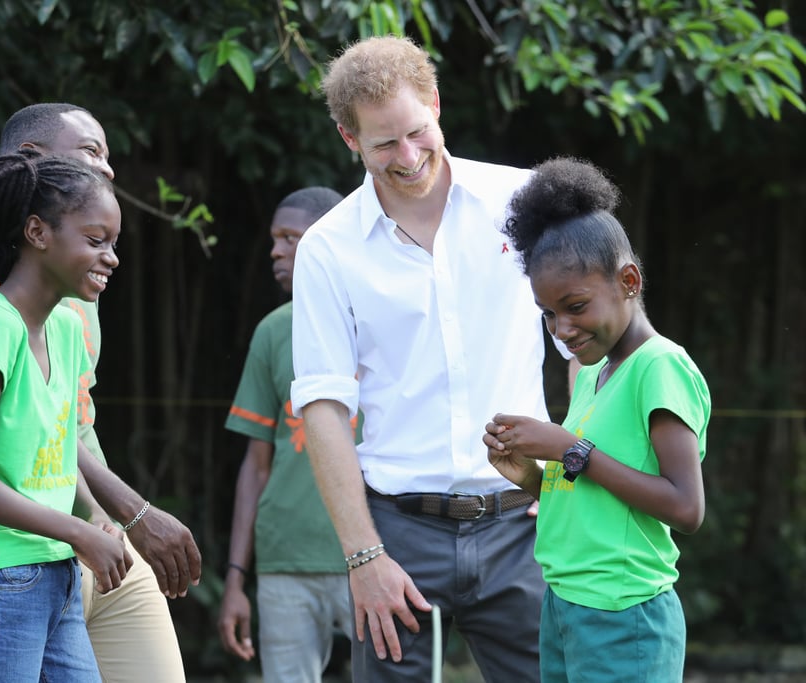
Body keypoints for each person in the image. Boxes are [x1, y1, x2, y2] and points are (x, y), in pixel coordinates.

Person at [290, 36, 574, 682]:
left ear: (438, 104)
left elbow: (587, 343)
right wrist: (364, 557)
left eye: (418, 131)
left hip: (525, 520)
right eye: (385, 143)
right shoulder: (328, 249)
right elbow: (324, 409)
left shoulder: (523, 201)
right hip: (396, 529)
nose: (410, 156)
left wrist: (570, 465)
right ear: (348, 138)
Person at [0, 103, 194, 681]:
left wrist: (113, 519)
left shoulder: (64, 313)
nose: (107, 169)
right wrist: (113, 519)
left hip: (73, 547)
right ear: (36, 229)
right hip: (2, 563)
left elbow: (60, 431)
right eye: (91, 152)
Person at [483, 157, 710, 682]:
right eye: (548, 313)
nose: (561, 328)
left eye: (576, 306)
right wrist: (535, 480)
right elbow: (600, 490)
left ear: (627, 281)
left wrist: (567, 447)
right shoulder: (596, 370)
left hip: (623, 615)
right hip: (566, 603)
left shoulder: (660, 366)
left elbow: (686, 506)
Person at [0, 151, 132, 680]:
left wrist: (96, 518)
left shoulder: (65, 329)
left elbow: (61, 448)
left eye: (113, 243)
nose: (110, 257)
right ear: (38, 232)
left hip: (54, 573)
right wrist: (76, 532)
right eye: (95, 240)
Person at [218, 187, 357, 682]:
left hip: (376, 552)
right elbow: (256, 467)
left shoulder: (386, 319)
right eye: (274, 239)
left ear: (328, 241)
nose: (275, 251)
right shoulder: (274, 331)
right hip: (284, 556)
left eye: (289, 238)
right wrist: (236, 579)